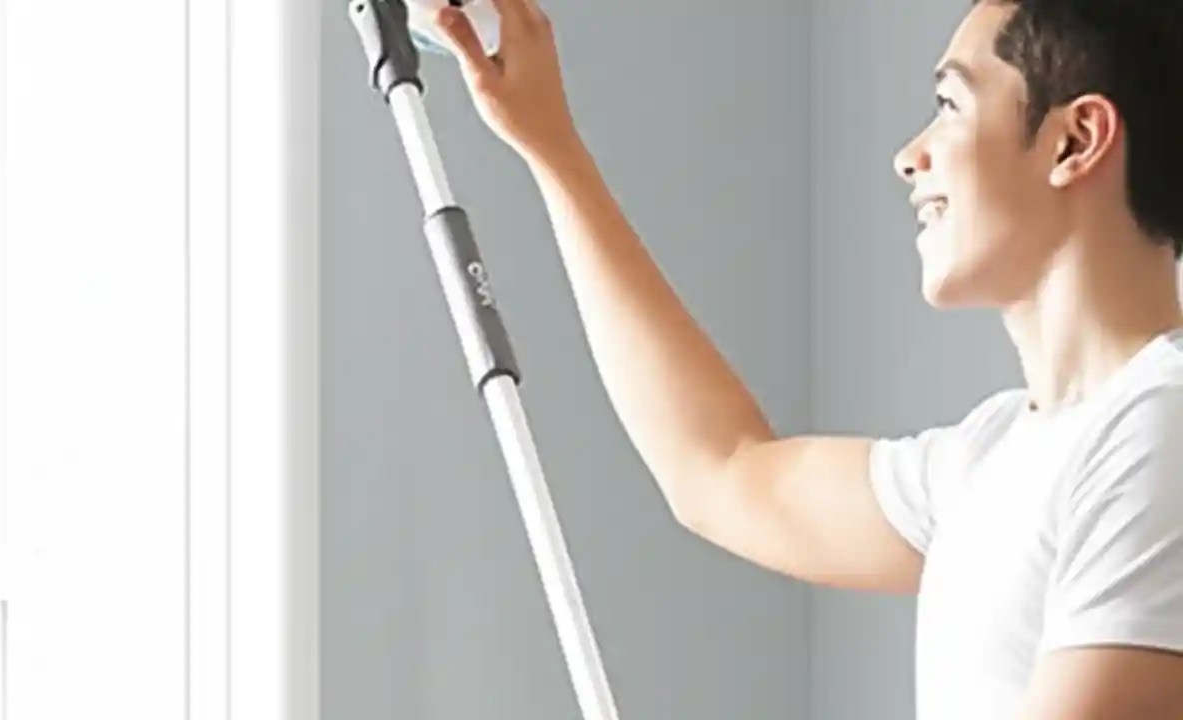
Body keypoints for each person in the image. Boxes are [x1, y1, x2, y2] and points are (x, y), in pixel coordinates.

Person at [435, 0, 1183, 717]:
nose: (909, 157)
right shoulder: (994, 456)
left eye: (950, 105)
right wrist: (554, 150)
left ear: (1075, 140)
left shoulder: (1159, 434)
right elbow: (722, 470)